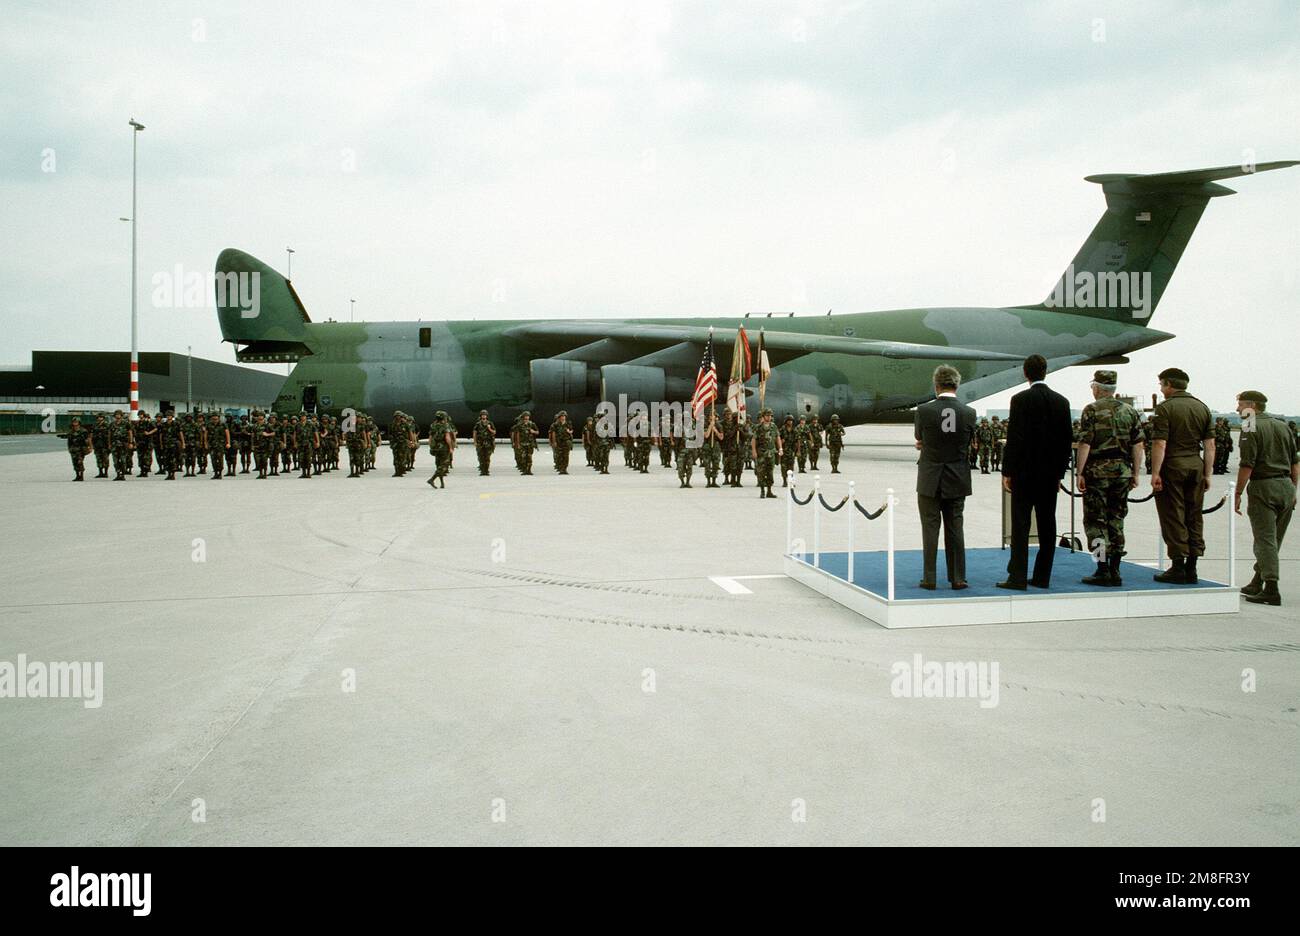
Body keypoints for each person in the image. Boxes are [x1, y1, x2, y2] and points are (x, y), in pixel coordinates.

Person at [998, 354, 1073, 589]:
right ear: (1045, 372)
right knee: (1047, 526)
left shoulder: (1019, 399)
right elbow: (1065, 441)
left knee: (1020, 526)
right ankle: (1042, 577)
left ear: (1025, 373)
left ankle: (1017, 576)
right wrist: (1060, 474)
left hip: (1024, 474)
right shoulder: (1062, 402)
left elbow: (1015, 438)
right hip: (1049, 476)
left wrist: (1007, 472)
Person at [1074, 370, 1143, 586]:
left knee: (1096, 521)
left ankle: (1102, 568)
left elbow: (1085, 443)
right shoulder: (1130, 411)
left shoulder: (1091, 410)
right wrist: (1135, 472)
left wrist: (1080, 472)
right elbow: (1138, 444)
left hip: (1097, 471)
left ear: (1097, 387)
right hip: (1122, 470)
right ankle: (1115, 569)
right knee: (1116, 519)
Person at [914, 365, 976, 590]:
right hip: (957, 478)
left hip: (930, 478)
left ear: (936, 385)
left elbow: (919, 438)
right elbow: (967, 442)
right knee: (955, 528)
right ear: (956, 385)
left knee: (930, 529)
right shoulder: (969, 413)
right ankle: (958, 577)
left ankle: (929, 577)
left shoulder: (923, 411)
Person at [1150, 367, 1214, 584]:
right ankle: (1192, 567)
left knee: (1173, 514)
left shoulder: (1165, 408)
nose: (1161, 389)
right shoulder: (1202, 407)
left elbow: (1160, 442)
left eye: (1161, 384)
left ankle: (1178, 566)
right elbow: (1210, 445)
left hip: (1173, 465)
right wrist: (1208, 473)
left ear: (1169, 384)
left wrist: (1156, 472)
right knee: (1194, 515)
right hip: (1196, 464)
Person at [1234, 391, 1298, 606]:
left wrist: (1238, 492)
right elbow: (1295, 462)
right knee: (1274, 539)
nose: (1238, 409)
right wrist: (1293, 490)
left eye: (1241, 404)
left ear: (1252, 406)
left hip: (1264, 486)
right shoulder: (1283, 425)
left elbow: (1247, 463)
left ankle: (1271, 588)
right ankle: (1257, 580)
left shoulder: (1250, 425)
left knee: (1265, 540)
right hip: (1285, 485)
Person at [751, 408, 780, 498]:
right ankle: (762, 491)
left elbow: (778, 437)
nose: (769, 417)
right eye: (767, 415)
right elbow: (754, 439)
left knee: (770, 472)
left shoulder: (774, 426)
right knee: (761, 472)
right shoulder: (758, 427)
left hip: (771, 453)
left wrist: (780, 448)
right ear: (763, 416)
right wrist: (754, 451)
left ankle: (769, 491)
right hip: (761, 453)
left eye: (770, 415)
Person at [427, 411, 455, 488]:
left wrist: (431, 446)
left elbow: (430, 437)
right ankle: (432, 479)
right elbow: (447, 438)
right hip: (443, 448)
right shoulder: (445, 425)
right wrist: (450, 447)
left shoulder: (433, 425)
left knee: (438, 465)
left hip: (435, 448)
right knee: (444, 465)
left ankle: (442, 483)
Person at [63, 416, 91, 481]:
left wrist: (90, 447)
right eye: (74, 422)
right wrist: (69, 448)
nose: (75, 423)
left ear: (79, 422)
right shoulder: (71, 432)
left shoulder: (83, 431)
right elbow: (69, 441)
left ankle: (81, 476)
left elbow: (88, 439)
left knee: (80, 462)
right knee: (74, 462)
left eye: (76, 422)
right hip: (73, 449)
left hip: (81, 449)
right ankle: (77, 475)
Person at [109, 410, 133, 480]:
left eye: (119, 414)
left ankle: (122, 474)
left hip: (123, 444)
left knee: (123, 460)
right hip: (114, 444)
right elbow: (110, 434)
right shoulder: (112, 424)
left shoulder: (126, 423)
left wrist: (131, 442)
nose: (117, 416)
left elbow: (130, 433)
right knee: (115, 461)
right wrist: (109, 444)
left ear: (121, 415)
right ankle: (118, 474)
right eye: (116, 414)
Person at [473, 410, 496, 475]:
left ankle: (486, 470)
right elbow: (475, 433)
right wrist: (475, 441)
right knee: (481, 457)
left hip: (488, 443)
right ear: (480, 416)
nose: (484, 416)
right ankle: (483, 471)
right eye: (482, 415)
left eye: (485, 415)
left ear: (486, 416)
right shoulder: (478, 424)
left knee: (487, 457)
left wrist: (489, 429)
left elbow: (494, 432)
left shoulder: (490, 423)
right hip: (480, 443)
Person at [90, 413, 111, 478]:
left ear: (103, 418)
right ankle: (100, 472)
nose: (99, 418)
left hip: (105, 445)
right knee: (98, 458)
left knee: (105, 459)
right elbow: (91, 435)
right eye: (98, 417)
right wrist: (91, 445)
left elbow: (110, 434)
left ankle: (106, 472)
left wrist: (109, 444)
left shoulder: (107, 425)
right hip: (97, 444)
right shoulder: (94, 425)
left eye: (101, 417)